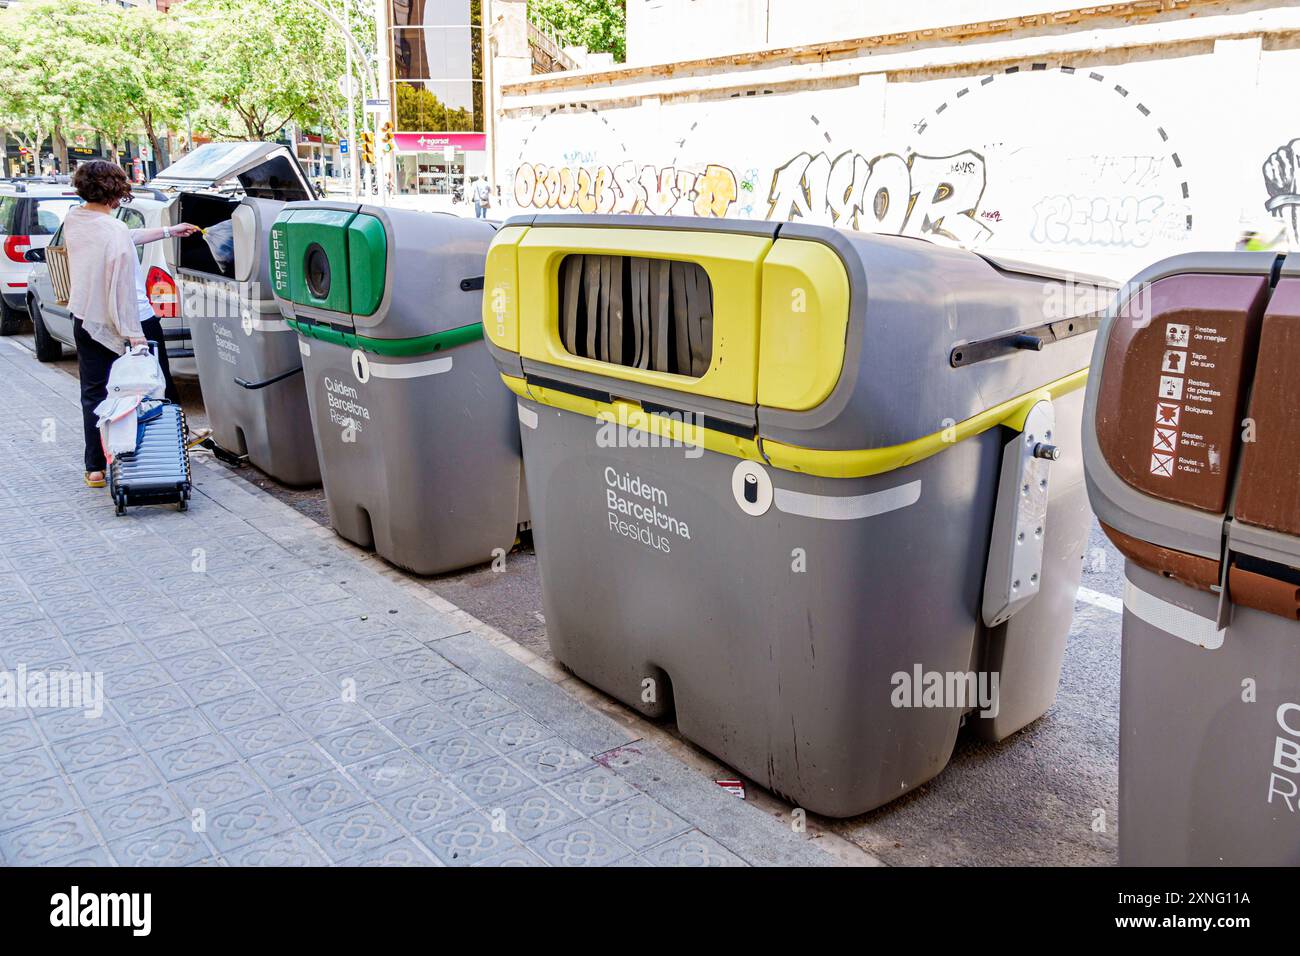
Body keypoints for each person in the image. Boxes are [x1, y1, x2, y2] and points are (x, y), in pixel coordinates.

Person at [63, 160, 200, 488]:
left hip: (86, 317)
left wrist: (169, 230)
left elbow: (124, 237)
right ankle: (168, 451)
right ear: (115, 190)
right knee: (156, 388)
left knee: (94, 393)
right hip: (131, 320)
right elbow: (122, 289)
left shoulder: (75, 219)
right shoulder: (113, 230)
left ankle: (95, 468)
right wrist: (134, 336)